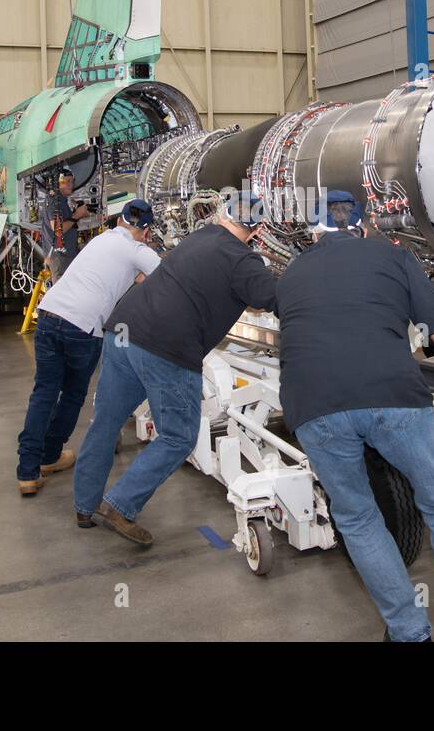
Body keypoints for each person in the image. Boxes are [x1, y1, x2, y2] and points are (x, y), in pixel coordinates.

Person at [277, 191, 434, 642]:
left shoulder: (291, 273)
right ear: (363, 226)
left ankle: (407, 632)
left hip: (313, 405)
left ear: (314, 232)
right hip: (392, 395)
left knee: (358, 518)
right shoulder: (393, 258)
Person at [73, 192, 277, 545]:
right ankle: (121, 504)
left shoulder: (199, 237)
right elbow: (272, 297)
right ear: (258, 229)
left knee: (106, 420)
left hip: (123, 330)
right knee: (178, 435)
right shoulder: (244, 261)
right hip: (167, 346)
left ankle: (84, 504)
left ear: (223, 214)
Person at [16, 199, 160, 496]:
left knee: (43, 392)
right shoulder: (138, 250)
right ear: (145, 231)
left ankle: (27, 471)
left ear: (120, 220)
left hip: (49, 314)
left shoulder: (100, 239)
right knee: (72, 395)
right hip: (81, 326)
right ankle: (50, 455)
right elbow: (167, 278)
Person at [47, 171, 91, 276]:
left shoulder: (62, 200)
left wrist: (78, 215)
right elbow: (57, 229)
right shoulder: (54, 200)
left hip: (67, 254)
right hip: (60, 256)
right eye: (68, 181)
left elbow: (67, 223)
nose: (71, 185)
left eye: (72, 181)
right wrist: (77, 215)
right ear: (59, 183)